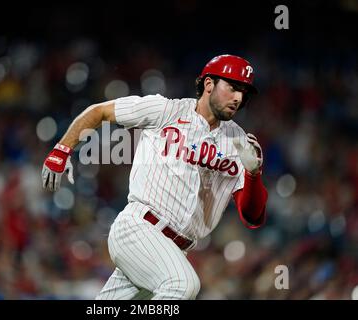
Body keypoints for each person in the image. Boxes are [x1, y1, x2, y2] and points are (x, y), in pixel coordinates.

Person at [41, 54, 268, 300]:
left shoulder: (239, 143)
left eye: (244, 92)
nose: (238, 97)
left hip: (173, 251)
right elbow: (100, 112)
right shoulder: (166, 110)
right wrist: (61, 150)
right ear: (209, 84)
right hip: (139, 229)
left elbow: (252, 216)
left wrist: (253, 175)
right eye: (233, 87)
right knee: (183, 285)